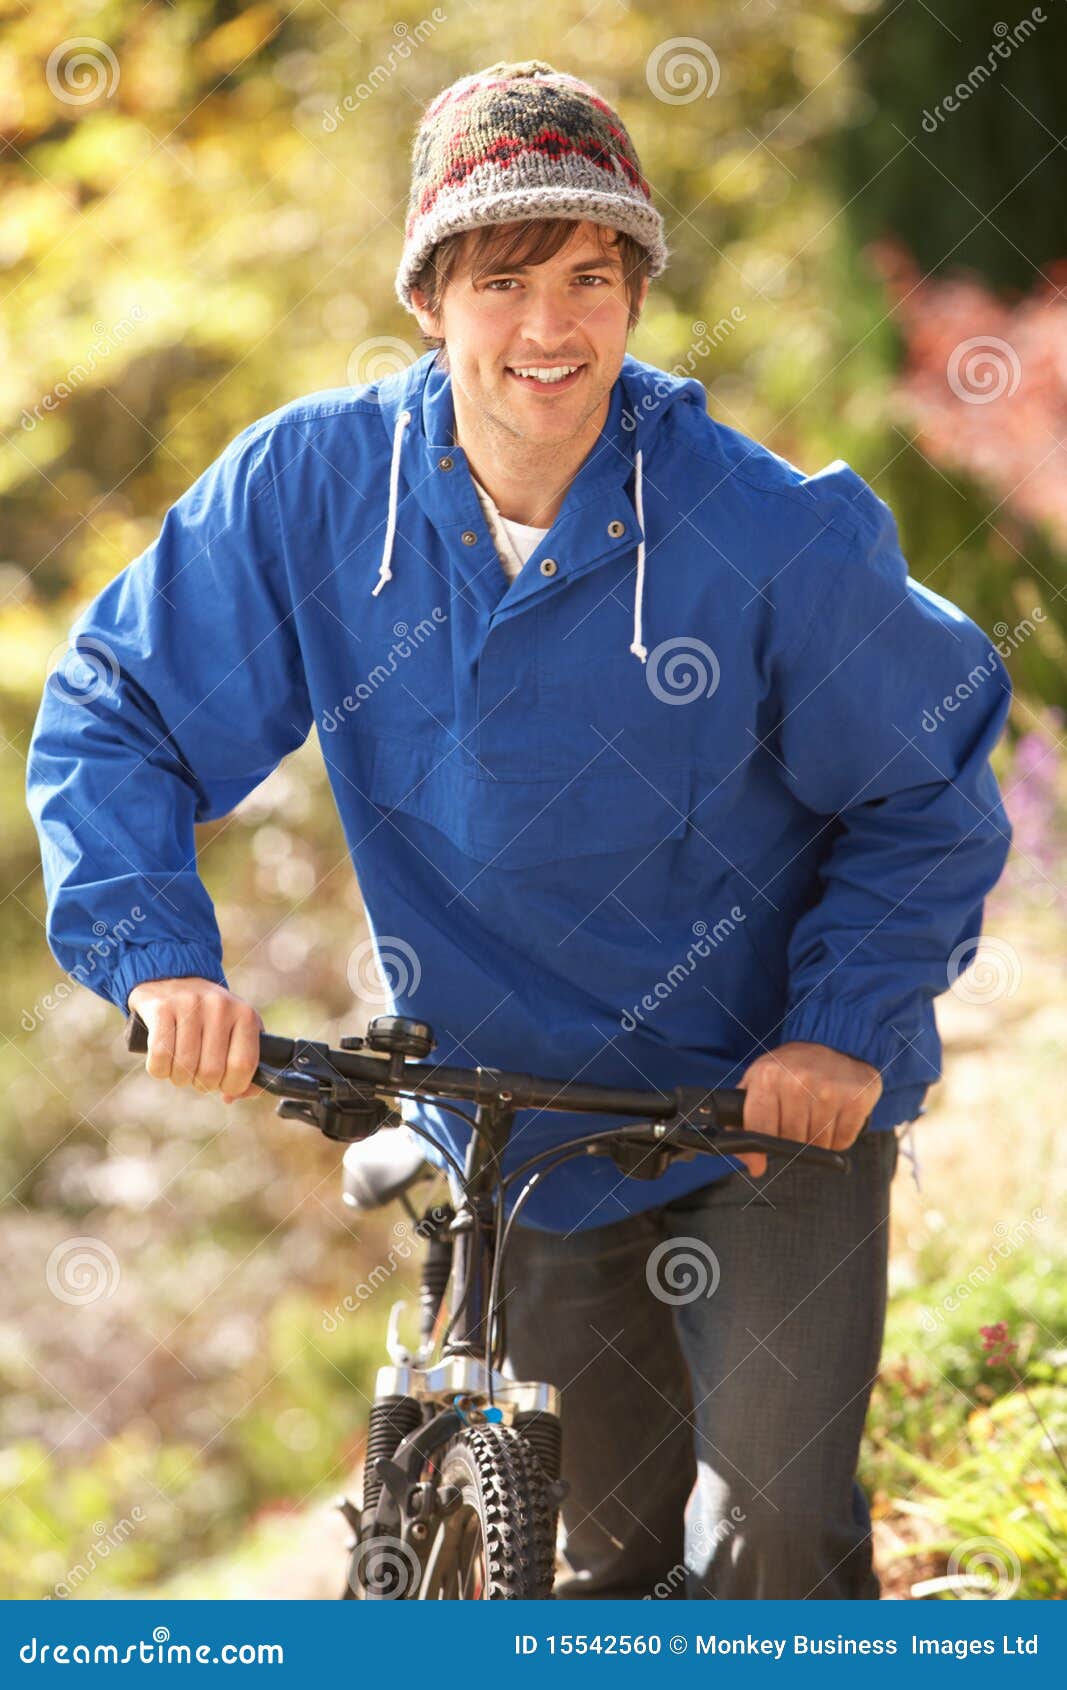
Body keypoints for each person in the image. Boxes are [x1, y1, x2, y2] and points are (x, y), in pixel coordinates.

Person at [26, 60, 1012, 1599]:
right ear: (428, 296)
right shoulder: (313, 492)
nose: (551, 328)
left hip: (759, 1114)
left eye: (590, 279)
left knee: (771, 1550)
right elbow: (119, 711)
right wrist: (160, 957)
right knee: (594, 1558)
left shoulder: (754, 528)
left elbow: (927, 771)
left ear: (633, 294)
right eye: (504, 281)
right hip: (522, 1125)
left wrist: (840, 1025)